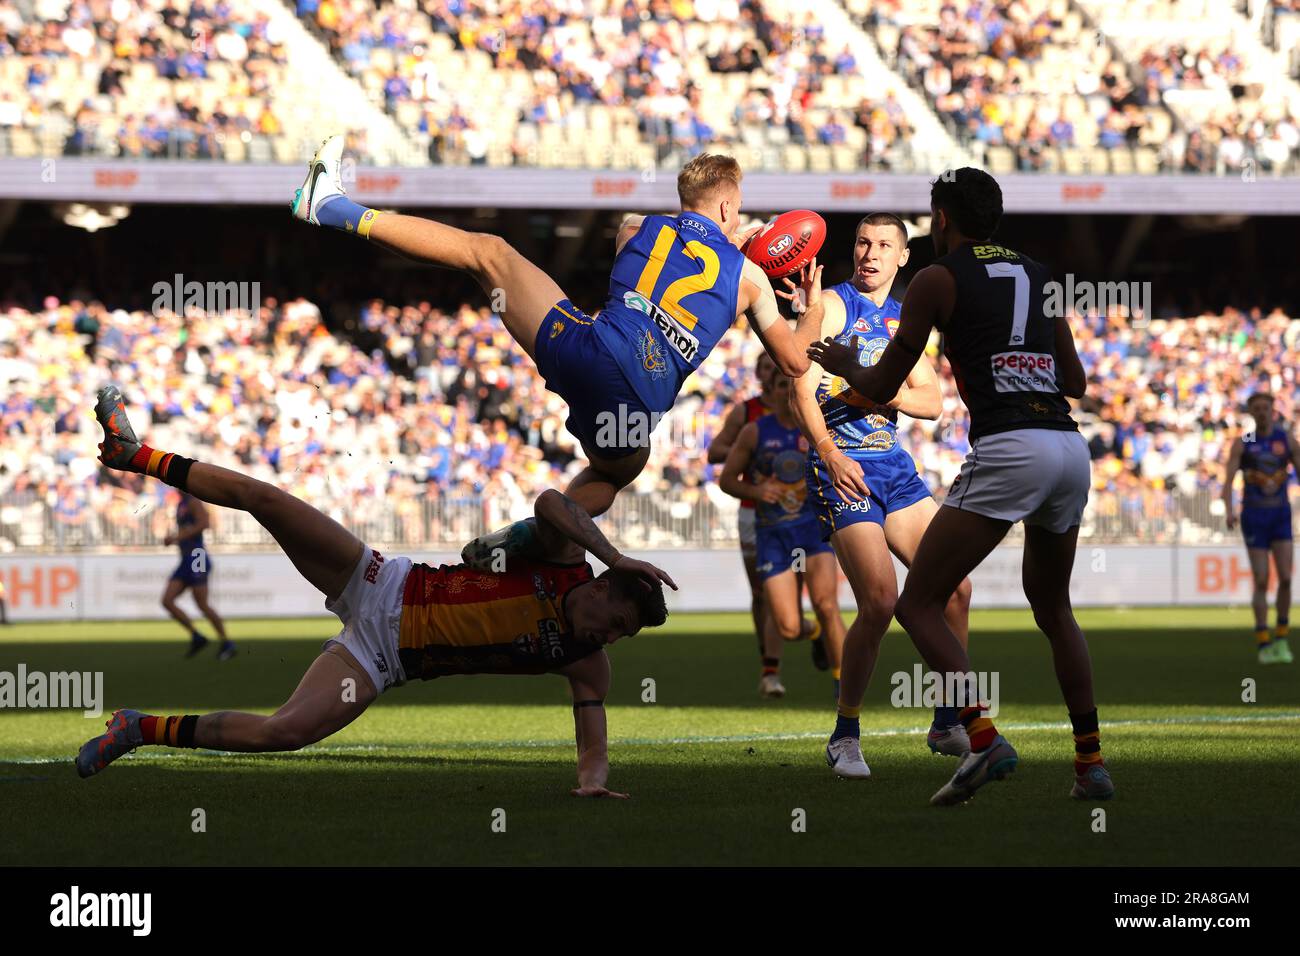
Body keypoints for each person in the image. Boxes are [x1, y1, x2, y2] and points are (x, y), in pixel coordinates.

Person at [78, 385, 672, 798]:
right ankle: (139, 455)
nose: (611, 638)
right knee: (267, 500)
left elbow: (592, 742)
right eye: (619, 621)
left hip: (383, 661)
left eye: (622, 636)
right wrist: (616, 554)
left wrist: (592, 782)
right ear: (607, 585)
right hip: (382, 584)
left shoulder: (587, 663)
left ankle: (136, 727)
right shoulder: (566, 559)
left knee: (283, 732)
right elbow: (552, 503)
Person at [292, 135, 822, 524]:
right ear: (729, 206)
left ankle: (335, 207)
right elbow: (796, 362)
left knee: (487, 255)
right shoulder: (748, 277)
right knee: (614, 475)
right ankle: (537, 538)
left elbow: (647, 252)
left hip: (586, 348)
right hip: (635, 404)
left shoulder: (637, 225)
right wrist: (808, 301)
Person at [808, 169, 1112, 805]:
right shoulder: (1039, 274)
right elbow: (1076, 379)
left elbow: (889, 376)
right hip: (1067, 448)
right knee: (1055, 610)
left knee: (918, 603)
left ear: (942, 219)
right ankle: (1090, 766)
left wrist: (842, 365)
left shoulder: (936, 279)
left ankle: (979, 733)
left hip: (1009, 447)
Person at [790, 212, 973, 780]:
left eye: (884, 245)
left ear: (903, 258)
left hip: (893, 464)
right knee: (879, 600)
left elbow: (930, 402)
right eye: (863, 242)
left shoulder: (903, 320)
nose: (870, 253)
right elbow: (798, 381)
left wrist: (875, 390)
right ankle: (845, 733)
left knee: (956, 590)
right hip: (842, 466)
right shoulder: (832, 305)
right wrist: (828, 450)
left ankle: (947, 719)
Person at [719, 372, 843, 698]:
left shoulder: (820, 428)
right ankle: (814, 633)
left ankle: (844, 685)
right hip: (773, 535)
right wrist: (757, 491)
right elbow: (727, 480)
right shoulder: (754, 431)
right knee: (788, 626)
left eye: (793, 384)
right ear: (769, 393)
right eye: (780, 385)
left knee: (826, 605)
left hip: (813, 530)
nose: (787, 390)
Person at [708, 351, 824, 673]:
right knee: (761, 591)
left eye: (777, 366)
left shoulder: (805, 409)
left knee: (791, 585)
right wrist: (750, 451)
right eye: (767, 367)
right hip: (752, 510)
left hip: (798, 514)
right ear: (761, 375)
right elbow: (714, 453)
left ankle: (777, 660)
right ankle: (768, 656)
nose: (774, 371)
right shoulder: (748, 412)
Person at [1223, 391, 1297, 665]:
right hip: (1254, 515)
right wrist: (1230, 509)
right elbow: (1228, 480)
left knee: (1287, 578)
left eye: (1266, 407)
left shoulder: (1286, 440)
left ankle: (1281, 638)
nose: (1263, 412)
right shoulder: (1244, 443)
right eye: (1258, 408)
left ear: (1273, 410)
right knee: (1263, 579)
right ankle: (1264, 642)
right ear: (1252, 413)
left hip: (1280, 515)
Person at [162, 489, 236, 660]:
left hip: (197, 557)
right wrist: (175, 537)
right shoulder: (182, 502)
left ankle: (227, 642)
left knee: (202, 604)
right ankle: (197, 636)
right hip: (187, 558)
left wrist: (176, 537)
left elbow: (204, 524)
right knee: (167, 601)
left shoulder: (193, 501)